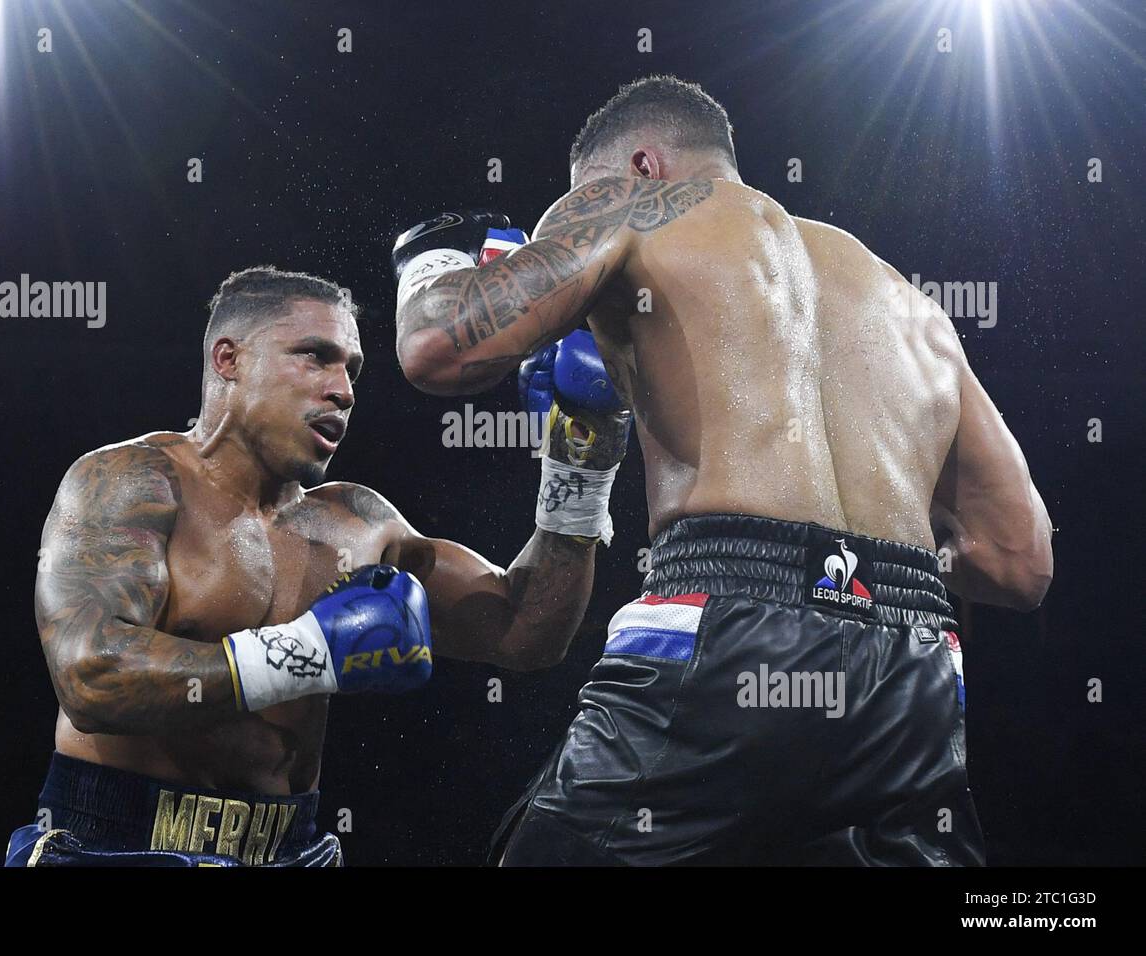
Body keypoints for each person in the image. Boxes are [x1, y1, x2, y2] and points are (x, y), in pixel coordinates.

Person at [391, 75, 1053, 865]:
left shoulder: (635, 205)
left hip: (727, 624)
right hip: (914, 660)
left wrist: (431, 263)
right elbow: (1019, 562)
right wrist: (860, 572)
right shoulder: (911, 305)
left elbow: (435, 347)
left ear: (642, 164)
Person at [5, 265, 623, 866]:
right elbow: (90, 675)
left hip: (291, 850)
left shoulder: (358, 522)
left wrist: (580, 466)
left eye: (351, 369)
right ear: (229, 360)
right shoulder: (132, 482)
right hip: (116, 843)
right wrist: (309, 653)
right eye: (314, 356)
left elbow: (525, 633)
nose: (344, 390)